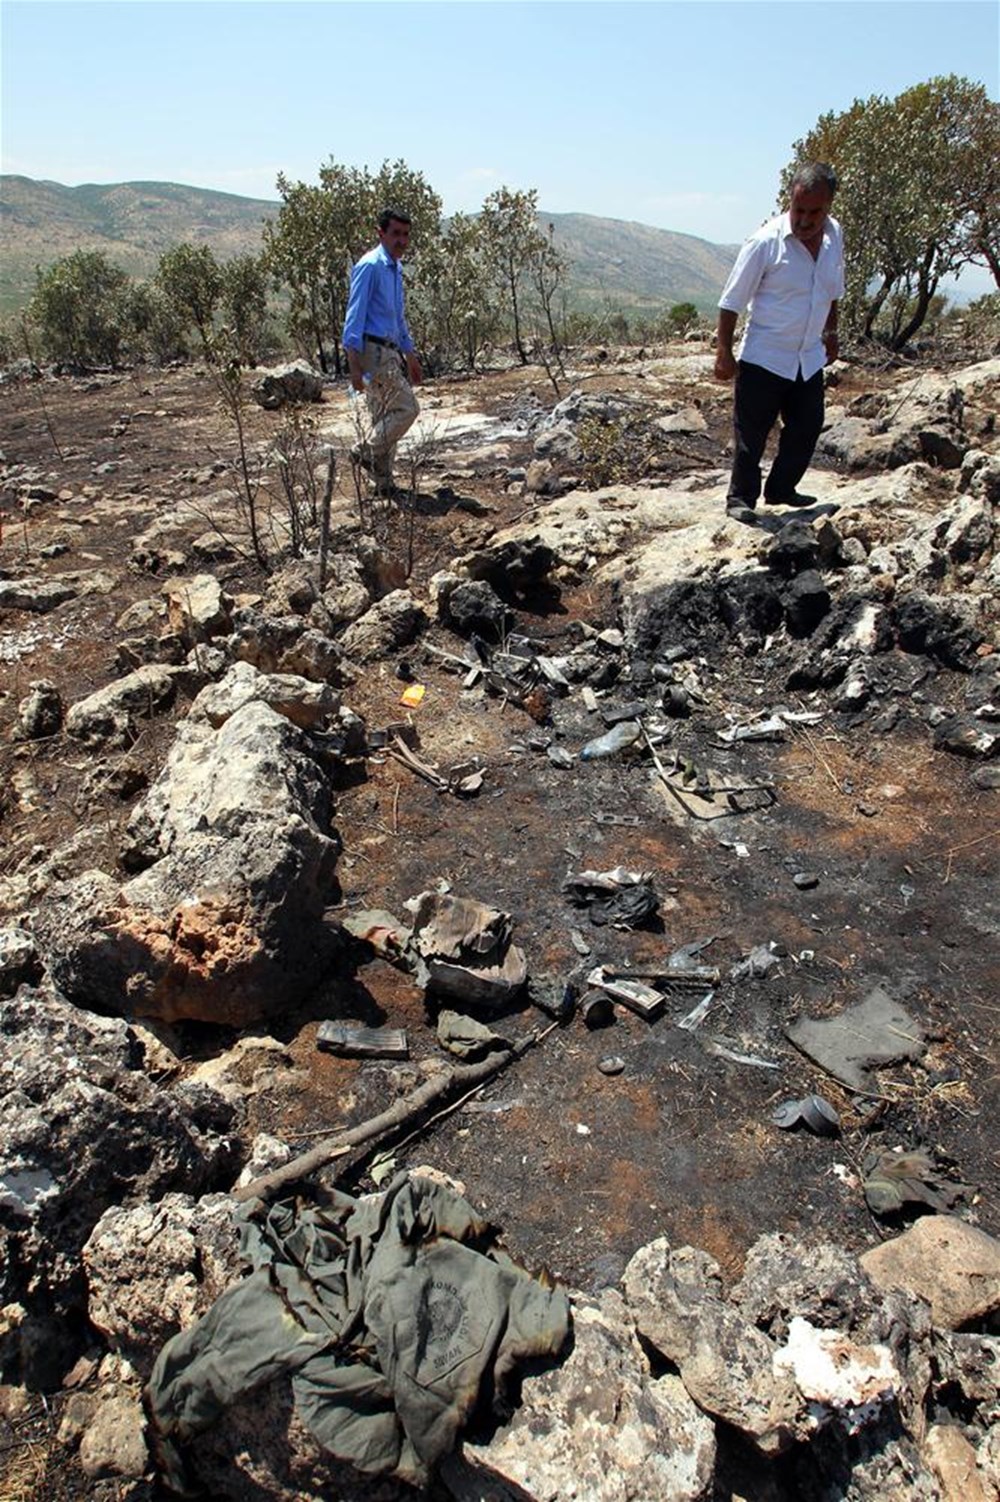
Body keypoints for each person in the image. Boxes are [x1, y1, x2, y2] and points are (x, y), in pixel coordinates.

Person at [714, 162, 844, 523]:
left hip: (808, 356)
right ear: (791, 201)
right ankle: (740, 498)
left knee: (807, 425)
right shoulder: (765, 243)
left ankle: (781, 488)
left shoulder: (835, 236)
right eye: (798, 210)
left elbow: (832, 291)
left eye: (814, 212)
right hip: (765, 356)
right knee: (751, 433)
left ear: (829, 206)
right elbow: (731, 300)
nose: (804, 220)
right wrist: (723, 352)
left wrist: (831, 333)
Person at [342, 209, 423, 493]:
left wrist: (410, 355)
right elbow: (354, 316)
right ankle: (363, 450)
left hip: (389, 351)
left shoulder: (394, 268)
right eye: (396, 233)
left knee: (384, 419)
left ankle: (382, 487)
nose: (402, 240)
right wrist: (353, 365)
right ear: (381, 233)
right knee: (407, 409)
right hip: (372, 352)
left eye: (405, 234)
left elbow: (398, 319)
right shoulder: (370, 266)